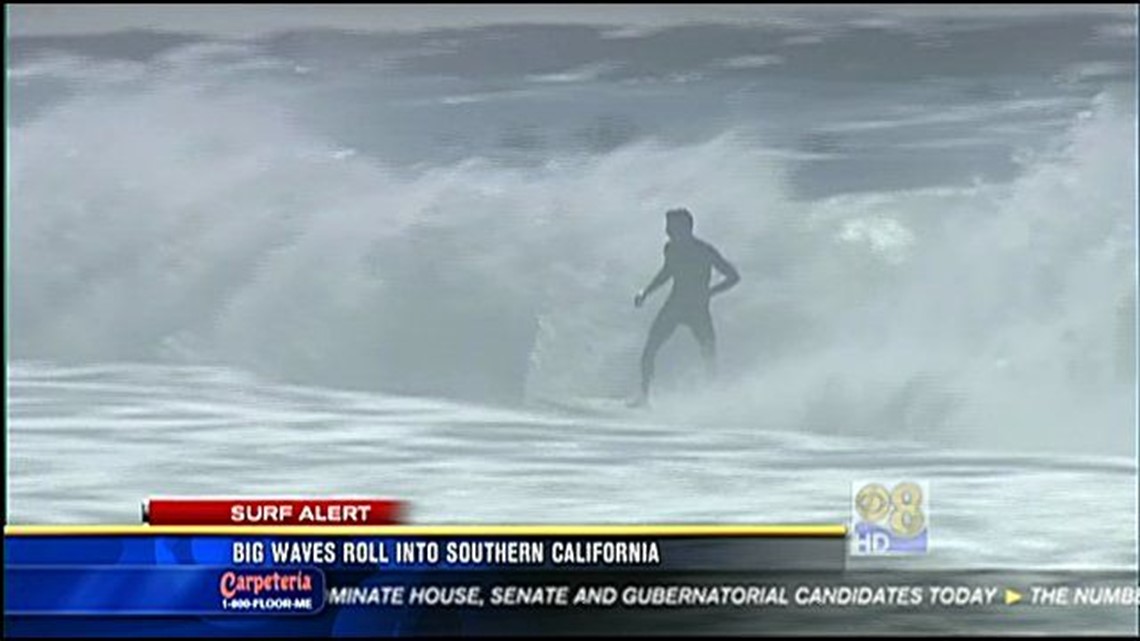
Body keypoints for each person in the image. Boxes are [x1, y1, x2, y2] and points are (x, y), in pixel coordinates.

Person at [631, 208, 740, 407]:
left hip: (698, 309)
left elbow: (733, 276)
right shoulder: (670, 249)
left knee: (708, 355)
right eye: (667, 227)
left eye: (671, 227)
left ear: (686, 227)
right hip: (674, 305)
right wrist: (646, 292)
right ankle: (643, 396)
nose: (667, 231)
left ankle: (713, 399)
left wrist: (711, 292)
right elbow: (667, 273)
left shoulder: (704, 251)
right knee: (650, 348)